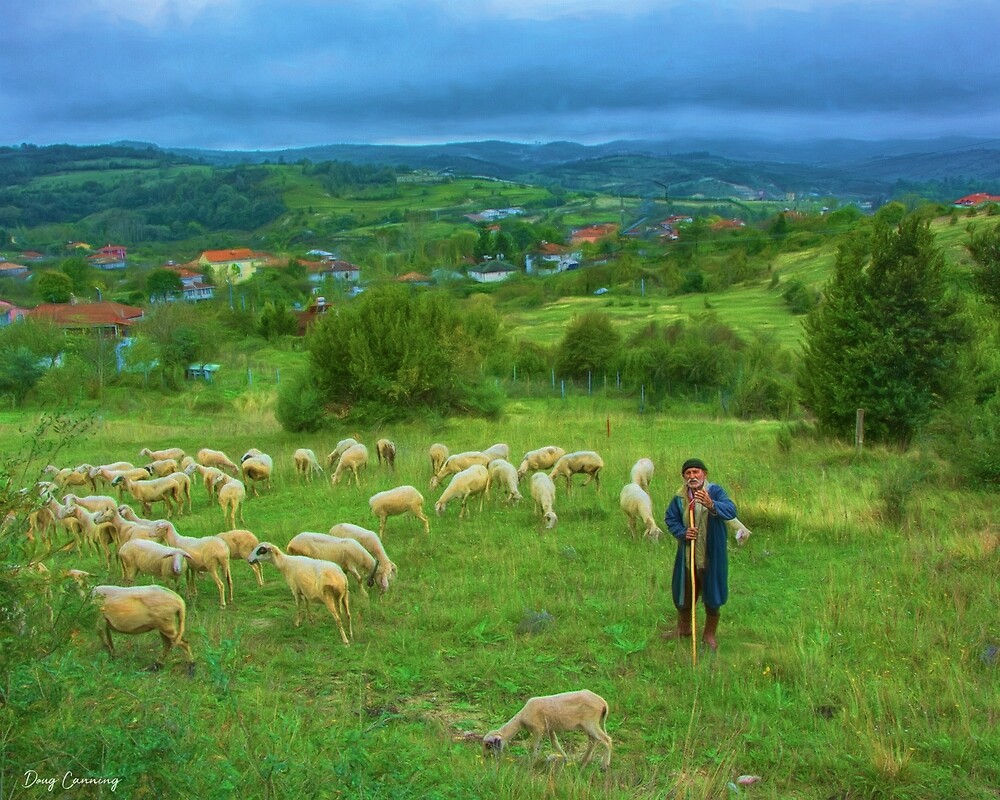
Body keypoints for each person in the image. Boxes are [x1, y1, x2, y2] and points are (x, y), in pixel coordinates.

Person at [662, 458, 737, 650]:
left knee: (713, 593)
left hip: (711, 554)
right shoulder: (679, 498)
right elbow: (671, 518)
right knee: (683, 592)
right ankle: (684, 628)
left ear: (704, 474)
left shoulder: (715, 492)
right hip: (687, 556)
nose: (692, 476)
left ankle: (709, 635)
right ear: (683, 477)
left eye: (696, 472)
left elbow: (730, 511)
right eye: (688, 473)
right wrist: (683, 532)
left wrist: (712, 505)